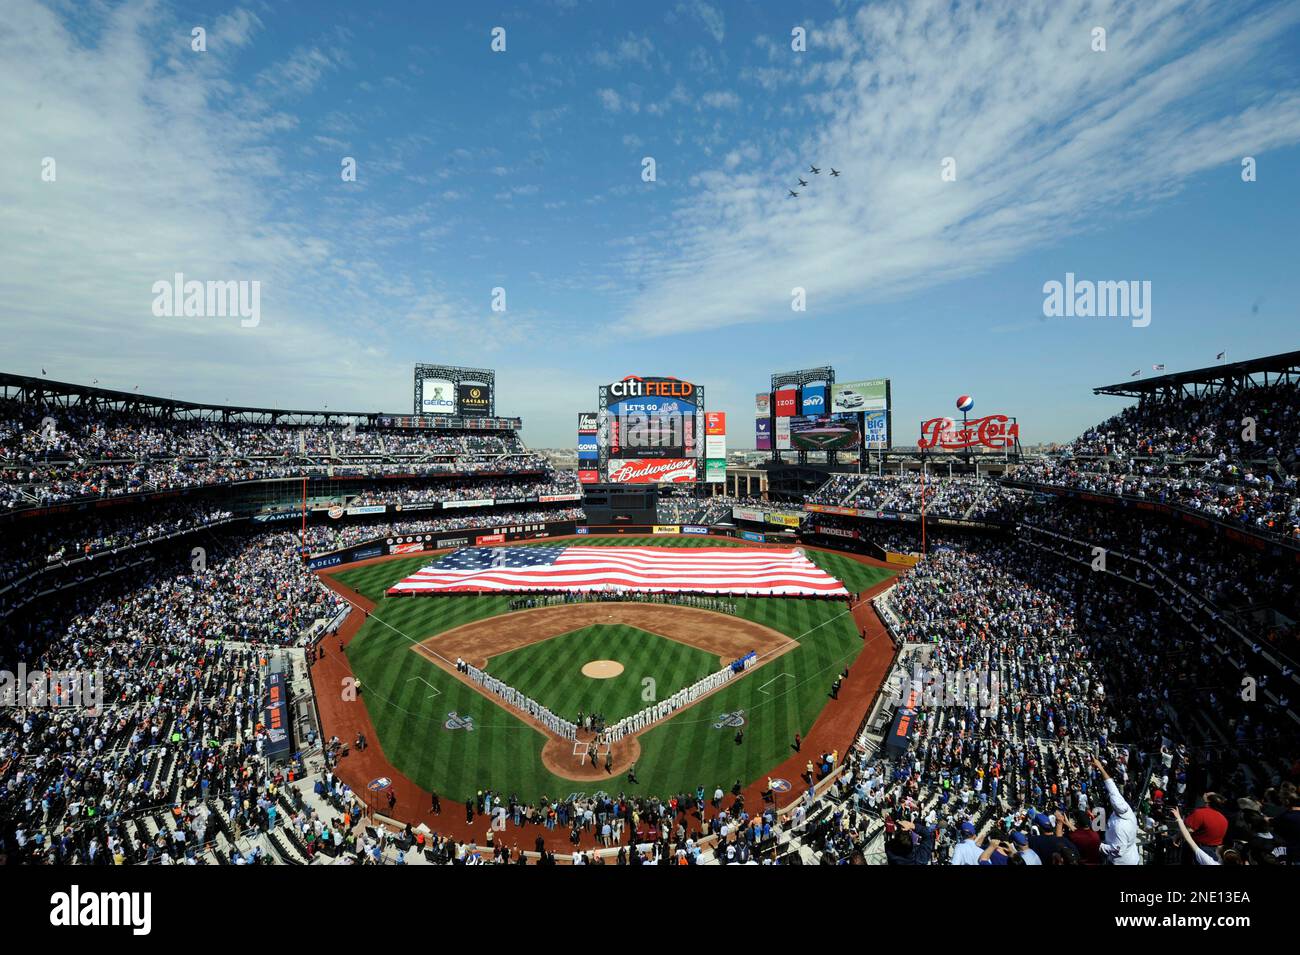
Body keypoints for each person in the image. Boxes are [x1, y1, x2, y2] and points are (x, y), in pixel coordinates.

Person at [1092, 755, 1139, 864]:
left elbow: (1118, 850)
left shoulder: (1120, 828)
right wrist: (1101, 768)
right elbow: (1111, 786)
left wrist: (1100, 845)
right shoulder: (1126, 809)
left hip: (1122, 862)